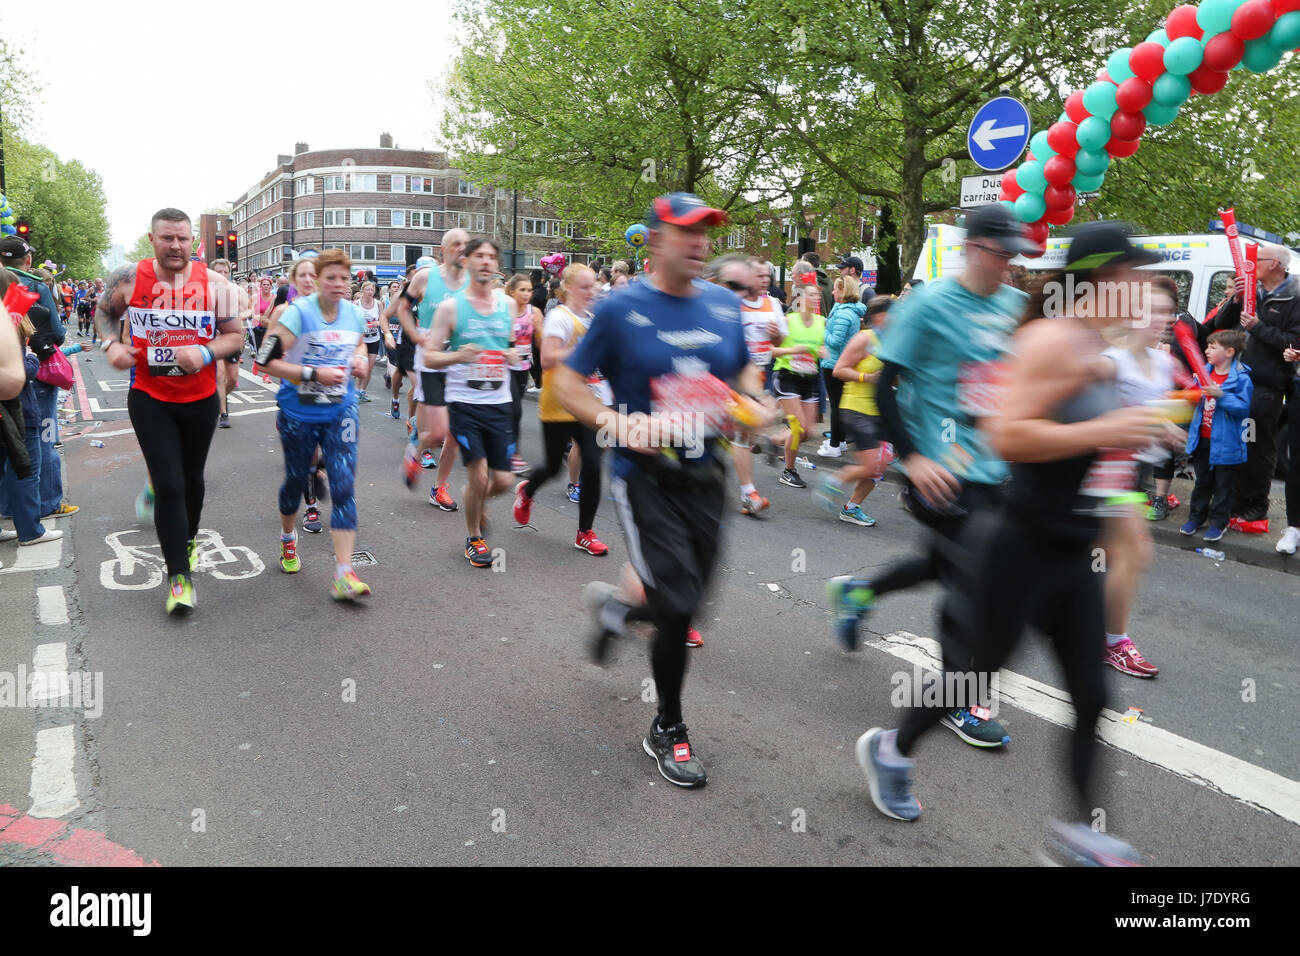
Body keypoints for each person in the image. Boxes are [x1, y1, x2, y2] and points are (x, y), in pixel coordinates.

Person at [858, 222, 1165, 866]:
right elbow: (1009, 436)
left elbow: (1085, 439)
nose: (1142, 287)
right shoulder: (1050, 339)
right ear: (1102, 279)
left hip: (1071, 550)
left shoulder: (1095, 344)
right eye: (1133, 275)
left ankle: (1082, 834)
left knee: (1092, 697)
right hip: (1019, 545)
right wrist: (1109, 425)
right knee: (970, 675)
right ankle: (889, 748)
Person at [559, 192, 764, 787]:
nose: (701, 242)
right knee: (676, 608)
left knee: (695, 601)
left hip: (708, 474)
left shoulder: (725, 306)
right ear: (655, 240)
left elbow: (740, 369)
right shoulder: (622, 309)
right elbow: (569, 383)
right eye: (688, 232)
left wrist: (752, 400)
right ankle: (668, 726)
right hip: (645, 479)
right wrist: (618, 424)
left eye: (707, 232)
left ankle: (618, 608)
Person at [826, 204, 1034, 749]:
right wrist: (914, 458)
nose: (1008, 265)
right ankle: (960, 699)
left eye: (1015, 256)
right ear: (971, 248)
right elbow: (883, 384)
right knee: (973, 579)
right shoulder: (930, 303)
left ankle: (858, 592)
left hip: (992, 465)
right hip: (939, 468)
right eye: (1000, 253)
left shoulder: (1016, 304)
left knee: (945, 565)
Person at [94, 208, 243, 615]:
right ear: (152, 239)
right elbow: (104, 313)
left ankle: (189, 541)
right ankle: (178, 576)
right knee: (169, 484)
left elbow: (235, 336)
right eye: (167, 238)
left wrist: (205, 351)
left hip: (199, 400)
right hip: (149, 397)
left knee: (192, 481)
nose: (175, 246)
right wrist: (112, 346)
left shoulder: (215, 284)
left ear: (194, 241)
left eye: (183, 238)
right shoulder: (128, 278)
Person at [257, 249, 371, 600]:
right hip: (299, 414)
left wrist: (361, 361)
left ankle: (344, 573)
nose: (338, 284)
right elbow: (265, 360)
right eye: (331, 278)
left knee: (343, 485)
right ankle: (288, 539)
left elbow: (360, 345)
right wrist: (312, 373)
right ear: (318, 280)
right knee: (295, 481)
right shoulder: (298, 314)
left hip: (341, 411)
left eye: (344, 278)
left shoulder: (353, 314)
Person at [1094, 280, 1175, 679]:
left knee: (1102, 557)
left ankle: (1086, 624)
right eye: (1151, 311)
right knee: (1135, 554)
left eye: (1166, 312)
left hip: (1135, 471)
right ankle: (1114, 642)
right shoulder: (1111, 362)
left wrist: (1164, 427)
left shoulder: (1162, 361)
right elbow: (1086, 415)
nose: (1161, 319)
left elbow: (1154, 411)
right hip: (1102, 471)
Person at [422, 239, 519, 566]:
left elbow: (510, 346)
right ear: (466, 262)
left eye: (492, 257)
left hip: (500, 401)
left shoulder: (508, 305)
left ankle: (474, 500)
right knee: (478, 476)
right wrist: (457, 355)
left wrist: (512, 354)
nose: (486, 262)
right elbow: (430, 355)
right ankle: (474, 538)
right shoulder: (452, 307)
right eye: (479, 256)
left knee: (504, 481)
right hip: (465, 402)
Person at [511, 263, 609, 556]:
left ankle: (585, 533)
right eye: (585, 286)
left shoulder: (593, 319)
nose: (591, 291)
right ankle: (527, 491)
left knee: (593, 466)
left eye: (594, 285)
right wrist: (588, 348)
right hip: (559, 402)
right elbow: (550, 358)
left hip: (590, 403)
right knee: (554, 467)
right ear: (568, 288)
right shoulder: (560, 317)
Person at [1212, 244, 1300, 532]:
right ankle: (1233, 501)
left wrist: (1259, 327)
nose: (1250, 265)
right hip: (1237, 381)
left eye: (1256, 260)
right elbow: (1221, 327)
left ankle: (1255, 505)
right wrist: (1236, 300)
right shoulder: (1250, 291)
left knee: (1257, 446)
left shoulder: (1295, 296)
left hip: (1266, 385)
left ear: (1274, 264)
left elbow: (1294, 343)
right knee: (1235, 442)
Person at [0, 236, 76, 521]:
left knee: (8, 440)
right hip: (35, 370)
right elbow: (56, 332)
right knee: (43, 435)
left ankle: (8, 507)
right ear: (28, 259)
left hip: (5, 374)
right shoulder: (34, 286)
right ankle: (47, 503)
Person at [400, 231, 469, 512]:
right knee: (439, 431)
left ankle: (438, 488)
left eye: (466, 245)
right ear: (443, 250)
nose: (462, 249)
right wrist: (416, 336)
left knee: (454, 433)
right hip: (430, 358)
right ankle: (415, 451)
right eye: (456, 245)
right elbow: (402, 308)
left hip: (460, 361)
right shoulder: (425, 277)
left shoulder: (473, 280)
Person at [816, 295, 893, 526]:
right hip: (856, 408)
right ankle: (831, 481)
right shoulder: (864, 339)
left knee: (880, 466)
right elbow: (839, 369)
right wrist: (866, 377)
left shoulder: (893, 341)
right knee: (870, 465)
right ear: (880, 316)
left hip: (881, 411)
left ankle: (851, 508)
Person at [0, 269, 61, 549]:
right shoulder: (8, 322)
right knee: (25, 469)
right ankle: (31, 530)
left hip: (12, 408)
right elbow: (16, 370)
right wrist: (33, 361)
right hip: (19, 408)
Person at [1179, 330, 1254, 541]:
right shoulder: (1204, 373)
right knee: (1202, 482)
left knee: (1224, 486)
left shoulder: (1242, 379)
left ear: (1230, 351)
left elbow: (1243, 409)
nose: (1206, 351)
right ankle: (1196, 518)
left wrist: (1221, 396)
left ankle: (1218, 523)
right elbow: (1194, 399)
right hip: (1202, 438)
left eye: (1213, 347)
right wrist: (1191, 391)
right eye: (1207, 346)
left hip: (1227, 442)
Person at [729, 254, 786, 515]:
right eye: (759, 275)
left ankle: (746, 492)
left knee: (743, 433)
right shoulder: (732, 303)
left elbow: (780, 343)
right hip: (732, 376)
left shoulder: (773, 303)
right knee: (742, 433)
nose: (765, 280)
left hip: (760, 373)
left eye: (767, 276)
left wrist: (777, 337)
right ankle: (748, 493)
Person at [771, 285, 825, 489]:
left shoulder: (821, 322)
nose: (815, 297)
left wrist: (822, 351)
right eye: (811, 294)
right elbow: (770, 350)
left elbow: (822, 347)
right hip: (787, 376)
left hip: (809, 378)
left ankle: (774, 441)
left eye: (817, 295)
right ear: (800, 299)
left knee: (807, 432)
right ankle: (789, 470)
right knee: (797, 427)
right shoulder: (787, 321)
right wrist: (794, 350)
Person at [818, 274, 865, 458]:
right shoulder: (845, 309)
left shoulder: (844, 314)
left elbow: (836, 341)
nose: (832, 291)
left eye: (836, 288)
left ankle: (834, 445)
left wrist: (824, 330)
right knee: (839, 404)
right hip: (840, 361)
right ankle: (841, 441)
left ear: (844, 291)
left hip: (834, 362)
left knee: (836, 406)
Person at [210, 258, 248, 429]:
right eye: (219, 272)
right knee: (219, 374)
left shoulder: (237, 290)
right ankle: (223, 413)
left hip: (232, 338)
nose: (223, 275)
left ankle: (222, 397)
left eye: (225, 272)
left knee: (232, 378)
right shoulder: (205, 290)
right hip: (214, 338)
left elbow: (247, 310)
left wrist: (241, 335)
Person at [355, 281, 383, 403]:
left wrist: (378, 323)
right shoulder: (356, 304)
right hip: (361, 340)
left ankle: (363, 391)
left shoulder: (378, 304)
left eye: (372, 290)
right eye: (368, 290)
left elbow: (383, 319)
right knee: (361, 366)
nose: (370, 292)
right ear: (362, 291)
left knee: (369, 368)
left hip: (374, 338)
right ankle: (356, 390)